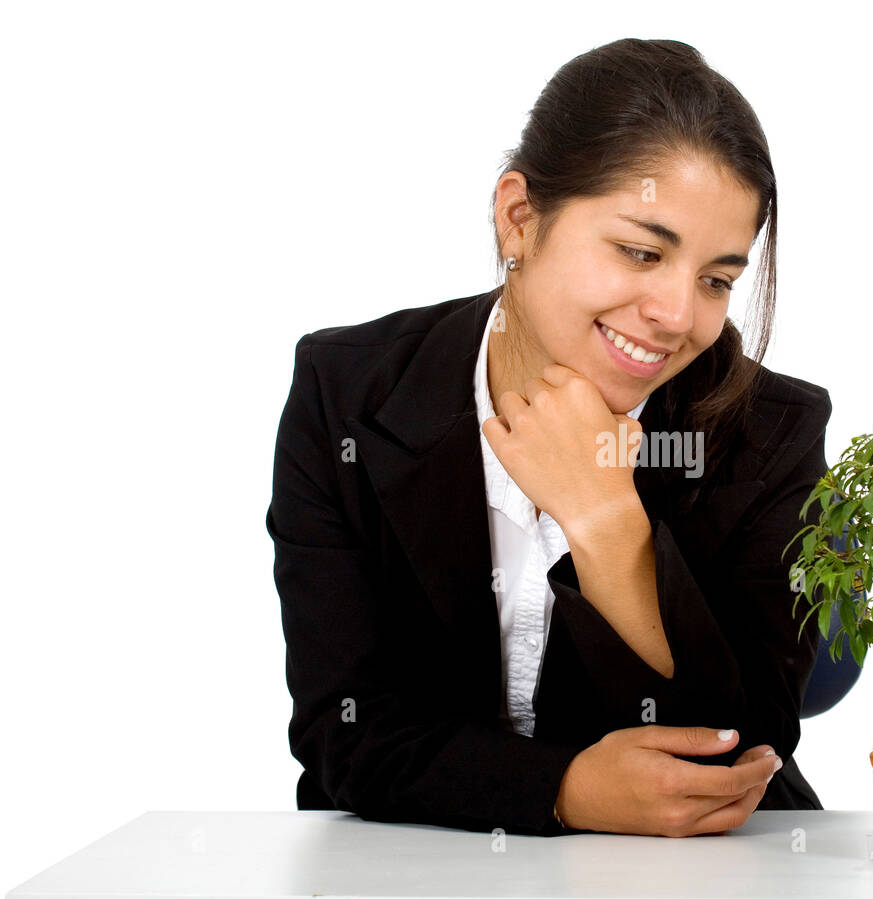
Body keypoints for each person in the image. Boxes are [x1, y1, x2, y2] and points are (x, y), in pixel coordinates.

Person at [266, 38, 833, 838]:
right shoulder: (349, 392)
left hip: (697, 882)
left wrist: (605, 521)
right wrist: (562, 789)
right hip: (411, 868)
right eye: (641, 251)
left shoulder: (770, 432)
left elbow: (737, 754)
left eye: (716, 280)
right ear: (519, 218)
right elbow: (345, 732)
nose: (677, 315)